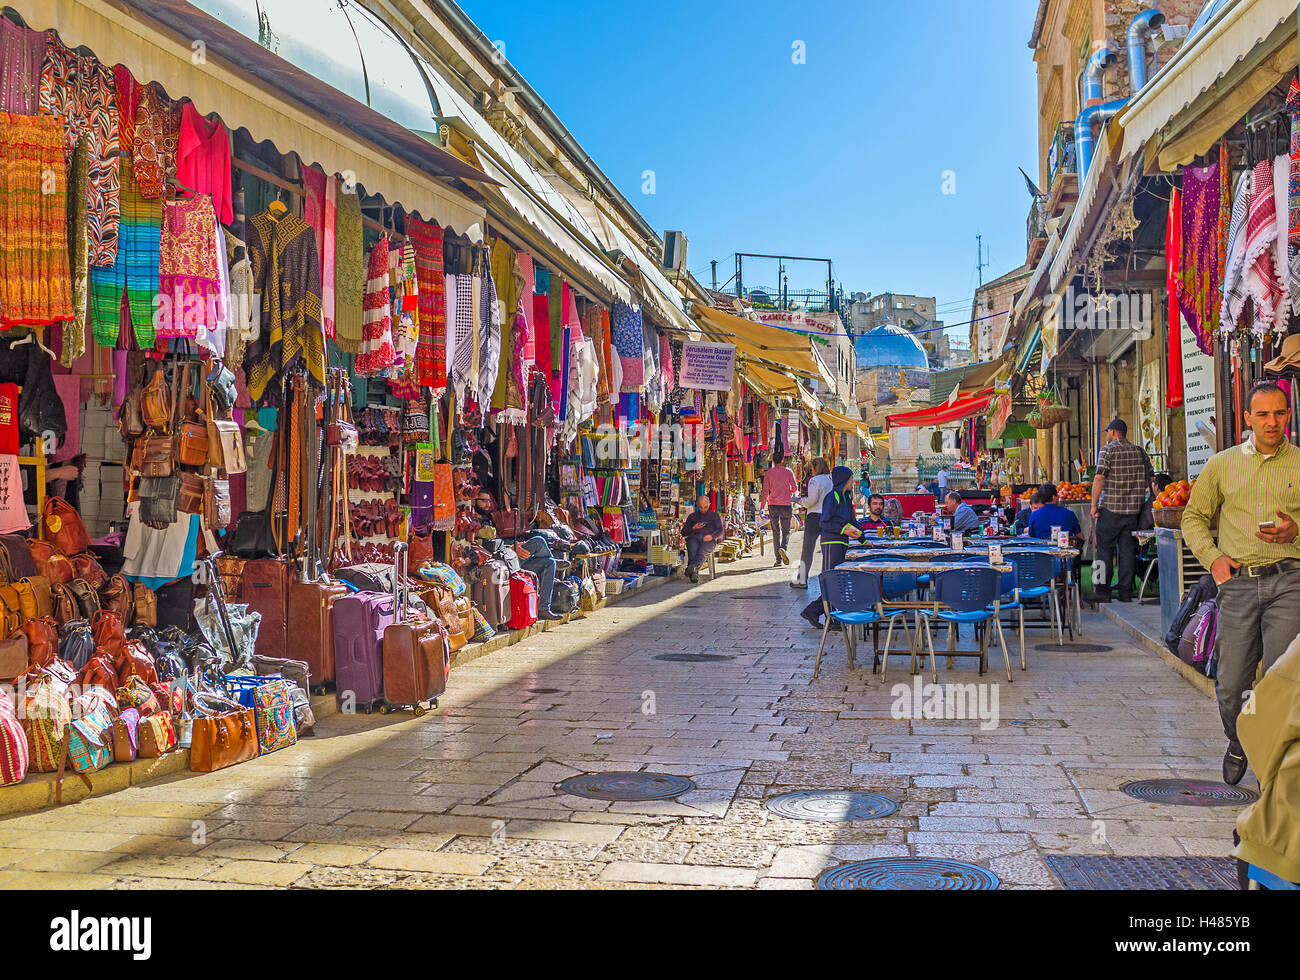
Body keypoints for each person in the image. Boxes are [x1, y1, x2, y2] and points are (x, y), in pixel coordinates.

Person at [1183, 382, 1300, 786]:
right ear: (1247, 419)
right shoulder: (1222, 464)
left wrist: (1295, 531)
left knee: (1279, 679)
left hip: (1290, 582)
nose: (1272, 422)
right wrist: (1214, 559)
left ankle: (1274, 771)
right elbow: (1193, 517)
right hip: (1238, 585)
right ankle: (1240, 741)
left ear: (1288, 415)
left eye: (1279, 413)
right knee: (1230, 683)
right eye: (1263, 415)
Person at [1090, 418, 1153, 603]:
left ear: (1113, 432)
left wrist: (1094, 505)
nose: (1107, 435)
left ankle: (1102, 591)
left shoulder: (1107, 450)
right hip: (1133, 511)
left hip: (1110, 509)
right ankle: (1125, 593)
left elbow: (1100, 477)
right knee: (1127, 552)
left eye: (1108, 432)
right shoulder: (1140, 452)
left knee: (1104, 551)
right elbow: (1150, 476)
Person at [800, 466, 861, 630]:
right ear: (843, 479)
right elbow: (825, 522)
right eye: (850, 478)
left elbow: (853, 521)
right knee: (831, 579)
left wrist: (864, 538)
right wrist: (843, 530)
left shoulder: (846, 498)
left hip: (843, 542)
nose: (852, 481)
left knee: (837, 579)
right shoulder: (831, 498)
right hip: (831, 542)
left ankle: (813, 610)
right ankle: (831, 617)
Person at [793, 458, 833, 590]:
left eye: (811, 468)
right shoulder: (831, 479)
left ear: (815, 468)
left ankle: (802, 579)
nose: (810, 471)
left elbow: (812, 500)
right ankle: (828, 579)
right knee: (827, 549)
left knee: (807, 550)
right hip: (829, 516)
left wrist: (799, 500)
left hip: (814, 516)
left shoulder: (815, 481)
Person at [514, 535, 565, 620]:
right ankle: (554, 559)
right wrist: (512, 548)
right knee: (538, 541)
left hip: (514, 557)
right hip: (505, 560)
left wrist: (515, 545)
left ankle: (543, 609)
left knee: (550, 563)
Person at [762, 453, 798, 568]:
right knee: (786, 531)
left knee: (775, 532)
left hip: (773, 505)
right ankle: (783, 548)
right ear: (782, 459)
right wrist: (788, 491)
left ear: (772, 460)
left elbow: (765, 492)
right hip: (786, 505)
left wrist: (762, 507)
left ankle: (778, 560)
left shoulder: (768, 473)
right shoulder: (788, 471)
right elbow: (795, 488)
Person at [681, 495, 724, 584]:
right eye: (701, 507)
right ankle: (693, 572)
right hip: (694, 537)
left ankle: (692, 568)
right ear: (697, 505)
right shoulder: (692, 516)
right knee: (692, 549)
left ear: (709, 505)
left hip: (709, 539)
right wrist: (693, 528)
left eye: (705, 507)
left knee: (702, 551)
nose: (703, 509)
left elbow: (720, 530)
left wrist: (712, 536)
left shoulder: (714, 515)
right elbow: (683, 533)